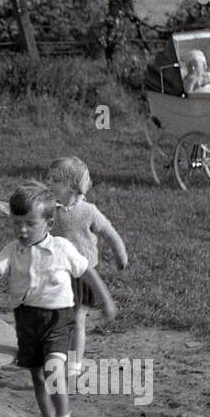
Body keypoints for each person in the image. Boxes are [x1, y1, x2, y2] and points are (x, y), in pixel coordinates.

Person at [0, 181, 116, 417]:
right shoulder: (12, 248)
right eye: (17, 223)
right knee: (38, 377)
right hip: (26, 319)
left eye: (30, 224)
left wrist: (105, 300)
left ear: (49, 224)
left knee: (54, 372)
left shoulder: (62, 248)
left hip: (57, 319)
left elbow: (87, 272)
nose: (22, 230)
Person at [45, 156, 128, 387]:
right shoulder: (50, 208)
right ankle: (53, 355)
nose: (48, 183)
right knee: (57, 317)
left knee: (79, 319)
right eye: (48, 179)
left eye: (54, 180)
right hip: (57, 271)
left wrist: (121, 255)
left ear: (71, 186)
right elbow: (15, 210)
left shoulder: (88, 211)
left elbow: (109, 232)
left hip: (83, 274)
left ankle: (73, 367)